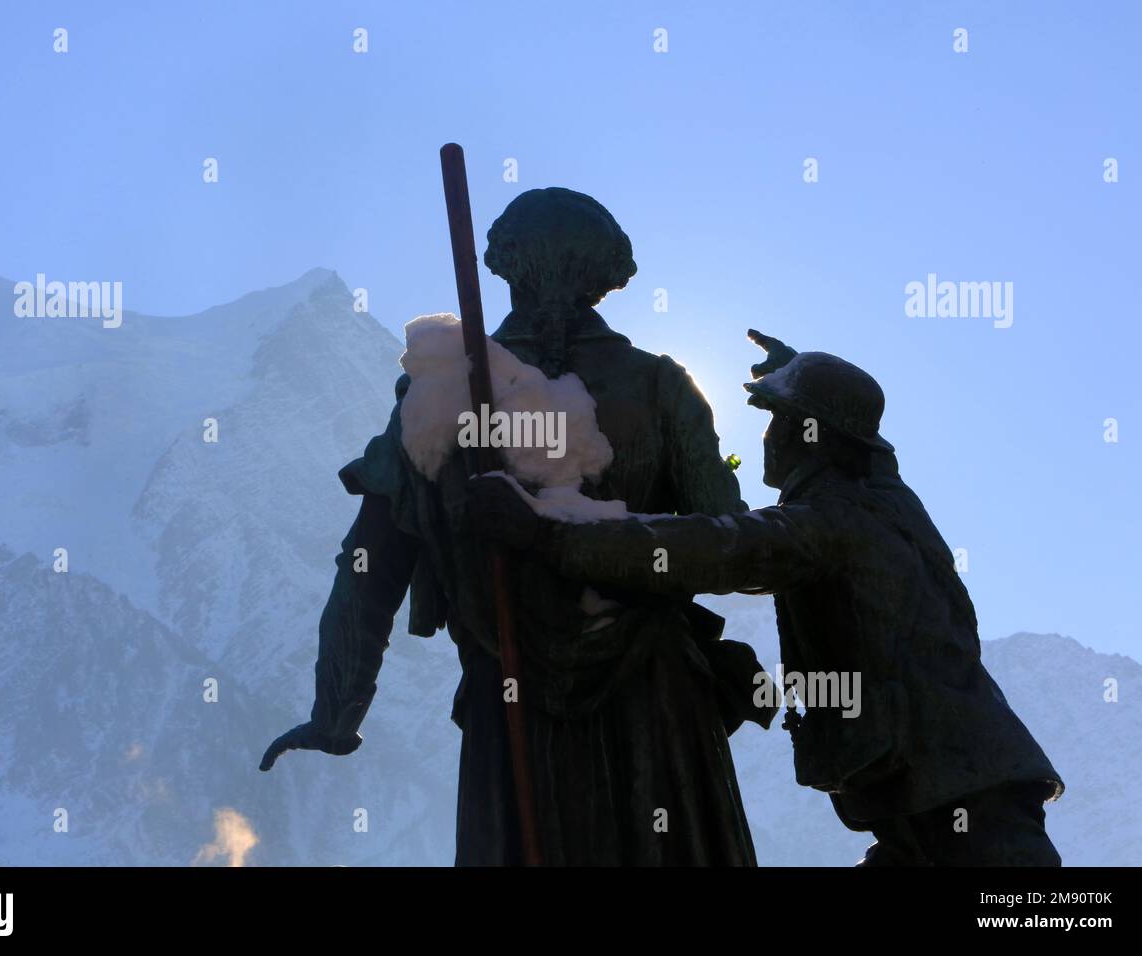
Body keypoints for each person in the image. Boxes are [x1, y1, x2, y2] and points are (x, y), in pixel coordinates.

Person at [260, 187, 771, 865]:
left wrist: (337, 711)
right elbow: (734, 549)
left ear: (507, 267)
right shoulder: (659, 387)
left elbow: (368, 565)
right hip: (657, 702)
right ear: (604, 278)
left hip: (518, 708)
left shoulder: (435, 395)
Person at [466, 333, 1064, 865]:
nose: (769, 435)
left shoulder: (830, 524)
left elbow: (715, 547)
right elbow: (874, 450)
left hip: (957, 800)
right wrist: (802, 372)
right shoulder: (888, 501)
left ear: (812, 436)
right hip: (931, 798)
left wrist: (548, 534)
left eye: (781, 420)